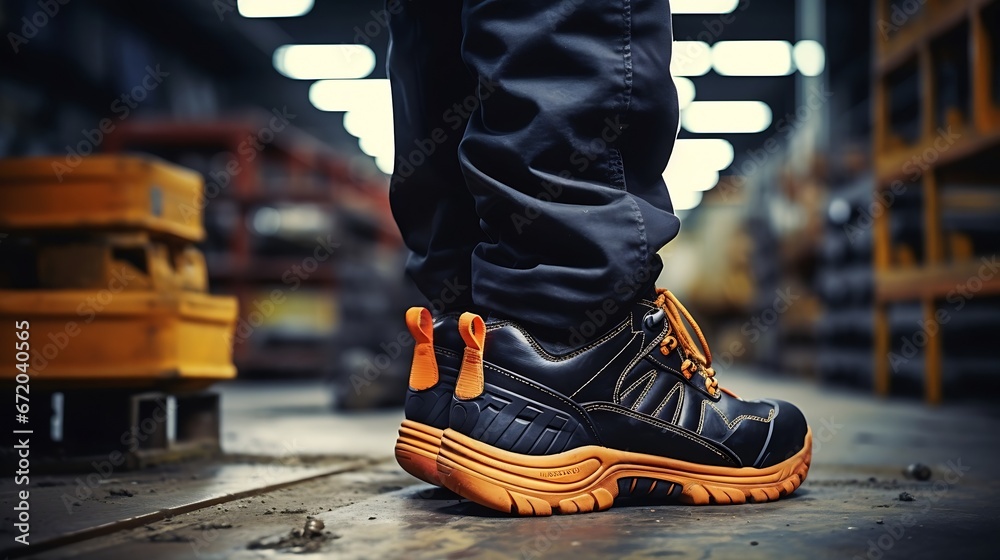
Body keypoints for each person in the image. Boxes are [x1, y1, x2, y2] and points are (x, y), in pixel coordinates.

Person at [388, 0, 811, 515]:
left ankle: (464, 364)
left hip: (456, 341)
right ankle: (572, 336)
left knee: (435, 23)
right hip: (569, 337)